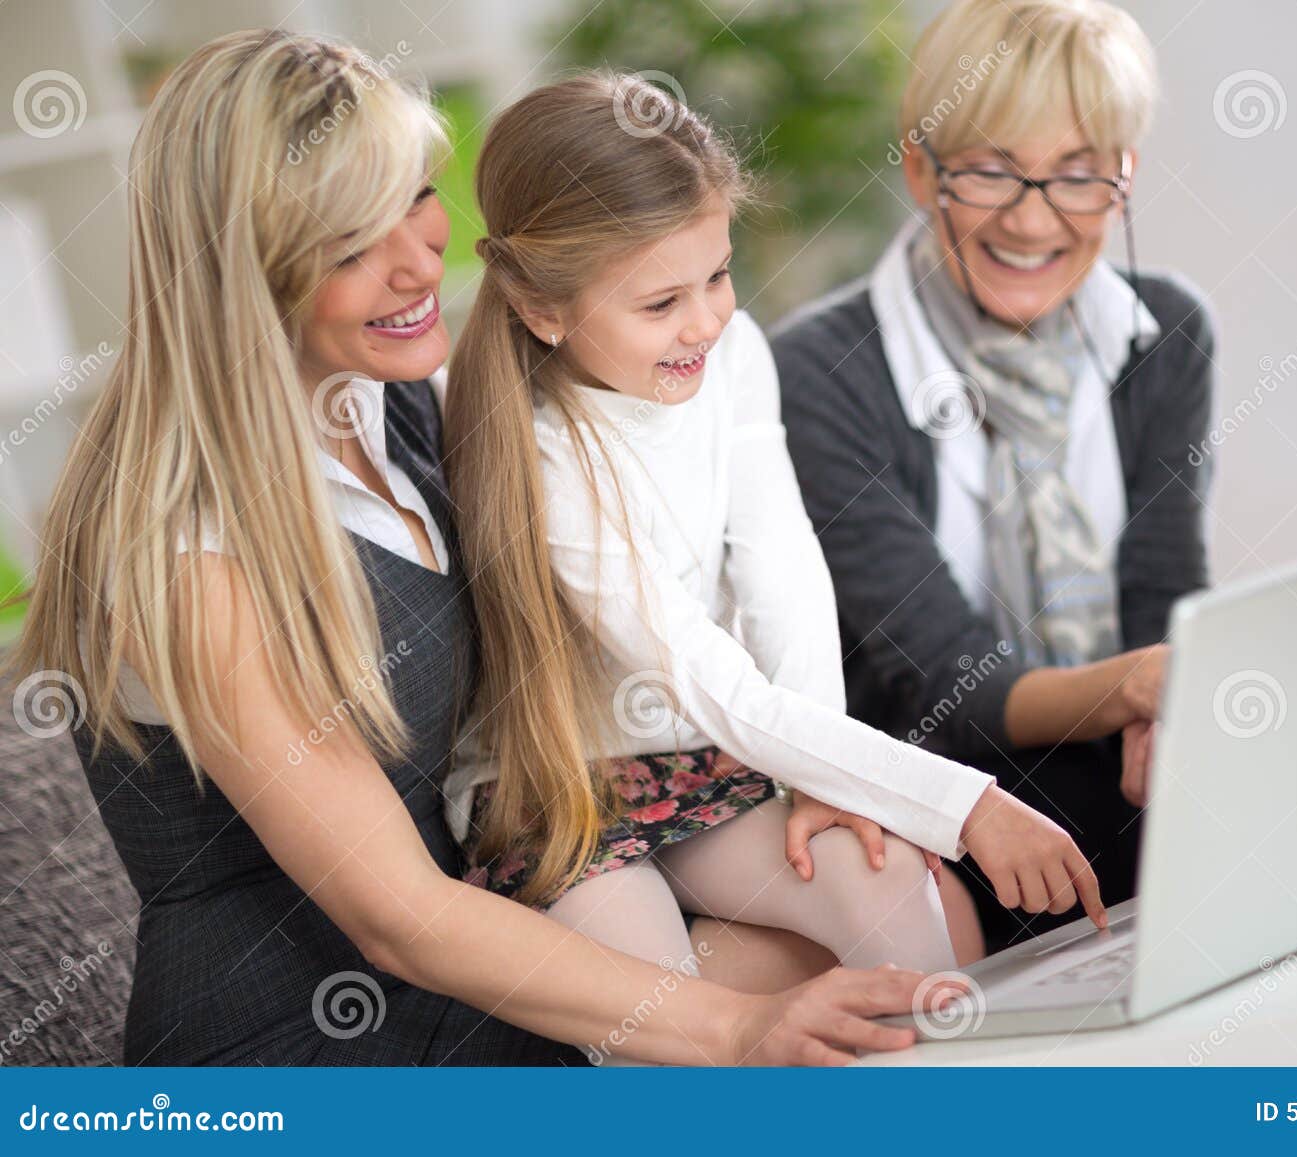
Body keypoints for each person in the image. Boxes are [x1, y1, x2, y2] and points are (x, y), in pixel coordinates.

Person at [3, 30, 958, 1067]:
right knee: (835, 998)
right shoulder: (187, 546)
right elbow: (398, 915)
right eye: (351, 244)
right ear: (246, 276)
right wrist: (734, 1023)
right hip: (322, 1035)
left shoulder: (397, 404)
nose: (424, 260)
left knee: (900, 923)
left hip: (486, 932)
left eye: (415, 195)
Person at [439, 72, 1109, 1019]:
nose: (706, 319)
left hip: (711, 756)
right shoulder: (546, 450)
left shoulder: (735, 354)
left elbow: (783, 570)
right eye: (661, 301)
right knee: (663, 1005)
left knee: (886, 888)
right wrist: (966, 805)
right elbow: (713, 677)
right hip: (558, 791)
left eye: (717, 274)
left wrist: (825, 777)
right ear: (545, 310)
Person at [770, 0, 1217, 958]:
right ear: (922, 166)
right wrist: (1140, 685)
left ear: (1124, 175)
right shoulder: (821, 372)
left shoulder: (1165, 335)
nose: (1031, 218)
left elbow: (1165, 600)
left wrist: (1163, 707)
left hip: (1129, 778)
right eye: (989, 172)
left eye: (1078, 176)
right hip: (940, 801)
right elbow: (944, 683)